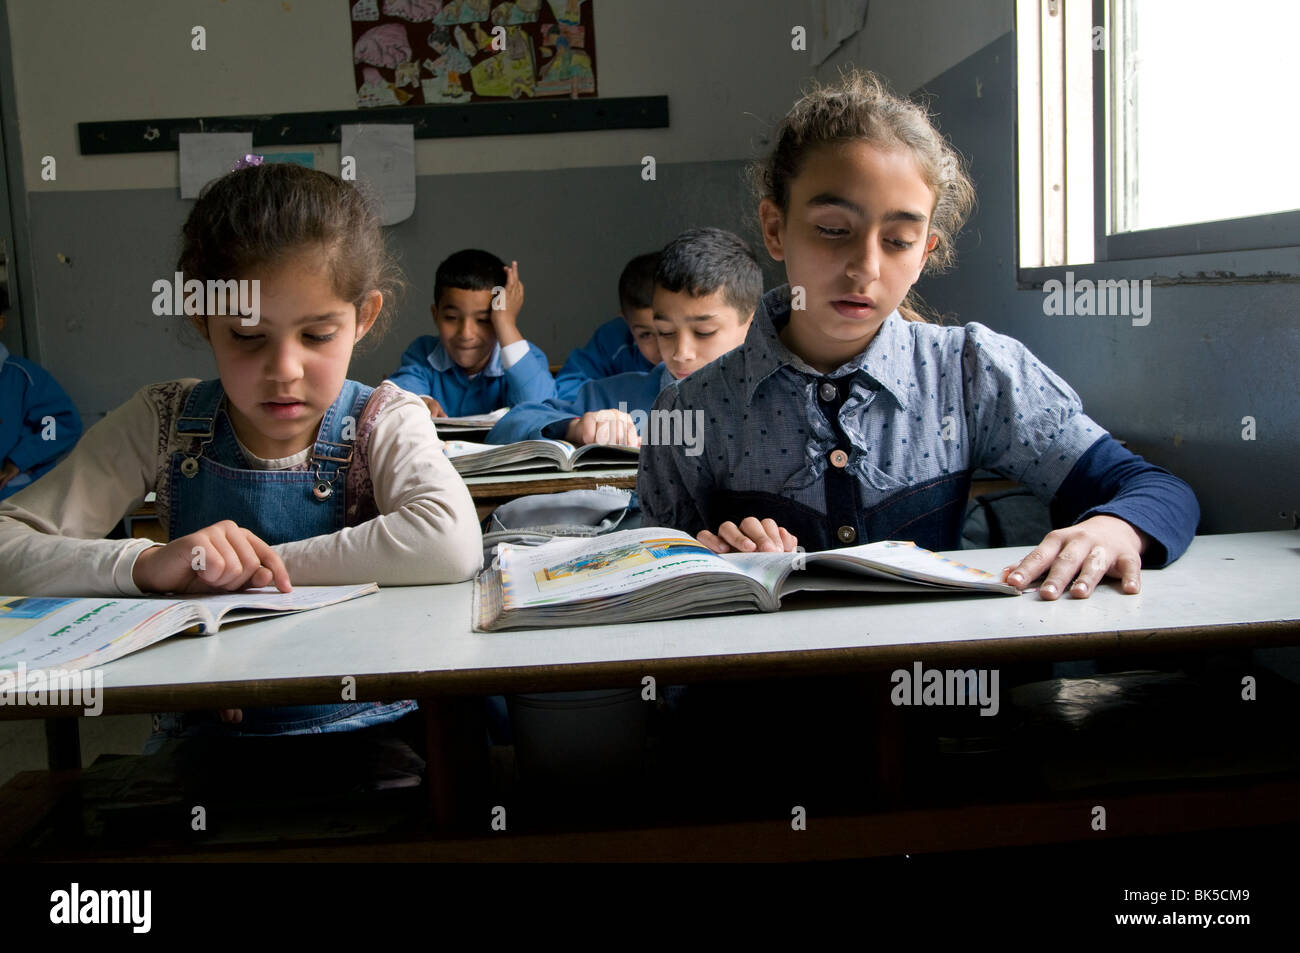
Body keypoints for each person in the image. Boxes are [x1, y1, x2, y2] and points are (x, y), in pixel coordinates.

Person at [639, 70, 1199, 600]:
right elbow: (641, 575)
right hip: (767, 691)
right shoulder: (693, 408)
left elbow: (1156, 490)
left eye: (900, 240)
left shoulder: (972, 371)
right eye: (834, 230)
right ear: (775, 228)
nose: (865, 268)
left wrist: (1118, 528)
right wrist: (699, 560)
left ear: (927, 249)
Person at [0, 161, 482, 744]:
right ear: (203, 318)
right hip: (200, 745)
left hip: (371, 734)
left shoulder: (385, 418)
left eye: (317, 335)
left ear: (364, 319)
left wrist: (245, 579)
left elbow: (449, 543)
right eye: (248, 336)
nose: (284, 370)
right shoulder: (162, 420)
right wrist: (148, 567)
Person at [486, 228, 759, 447]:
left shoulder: (784, 403)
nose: (680, 352)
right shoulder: (613, 397)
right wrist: (574, 427)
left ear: (753, 324)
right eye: (665, 332)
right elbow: (507, 428)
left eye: (703, 332)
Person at [386, 249, 555, 417]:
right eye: (451, 317)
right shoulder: (423, 353)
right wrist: (419, 401)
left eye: (483, 320)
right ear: (435, 315)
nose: (466, 334)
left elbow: (543, 412)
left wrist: (505, 323)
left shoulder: (524, 357)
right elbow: (398, 398)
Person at [0, 287, 82, 500]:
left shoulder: (22, 378)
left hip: (15, 500)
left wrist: (18, 460)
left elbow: (58, 424)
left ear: (0, 323)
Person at [552, 251, 661, 401]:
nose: (662, 346)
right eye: (646, 335)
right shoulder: (614, 338)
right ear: (626, 322)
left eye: (669, 332)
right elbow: (567, 389)